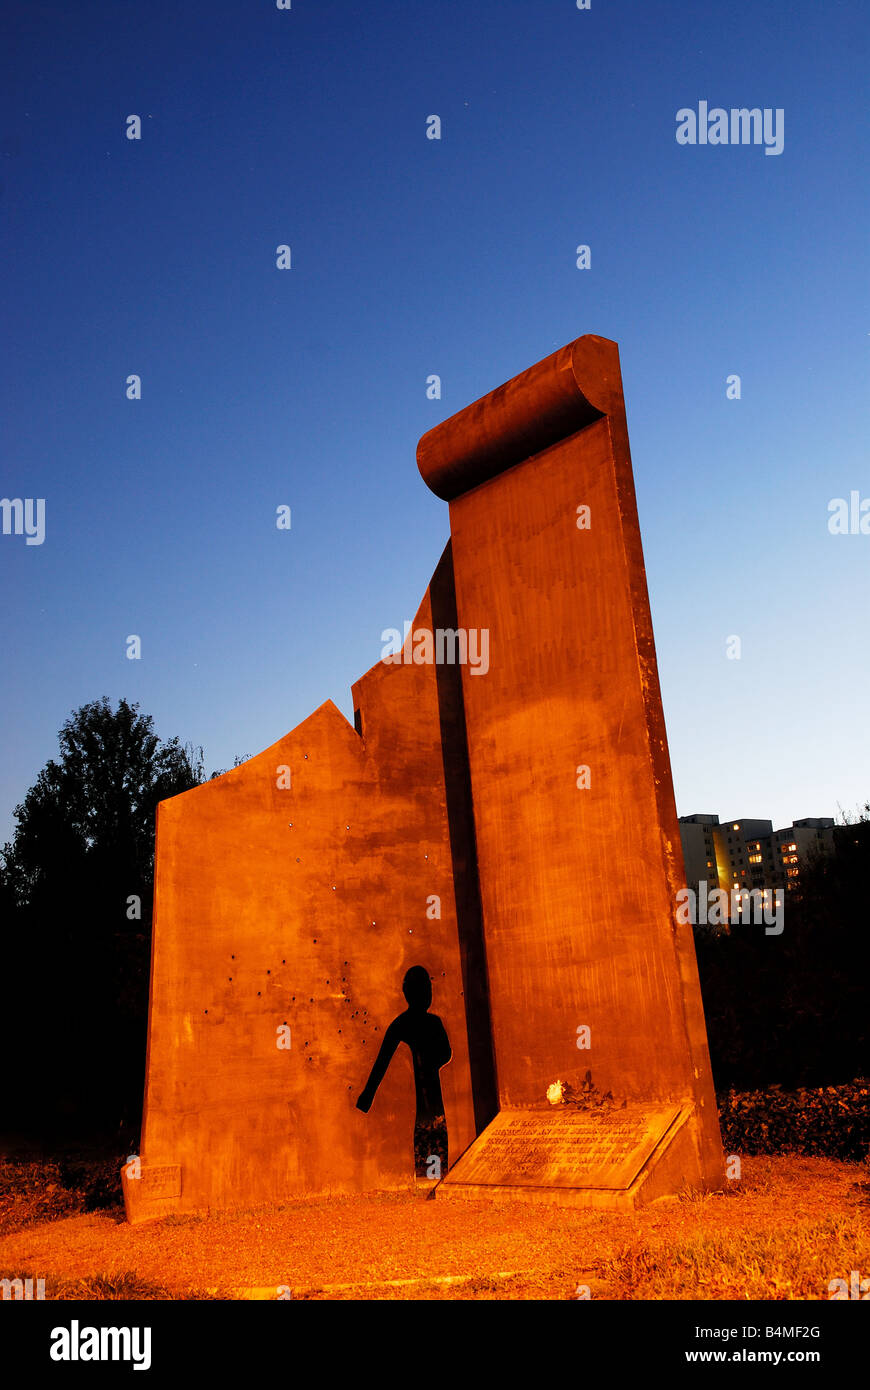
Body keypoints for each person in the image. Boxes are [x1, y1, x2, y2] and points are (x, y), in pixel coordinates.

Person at [356, 965, 451, 1177]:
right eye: (425, 989)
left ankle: (430, 1175)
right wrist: (368, 1095)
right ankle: (432, 1175)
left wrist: (367, 1095)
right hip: (431, 1103)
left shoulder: (402, 1024)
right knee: (434, 1135)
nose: (428, 994)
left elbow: (382, 1062)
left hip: (428, 1104)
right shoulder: (429, 1023)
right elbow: (444, 1054)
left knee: (429, 1135)